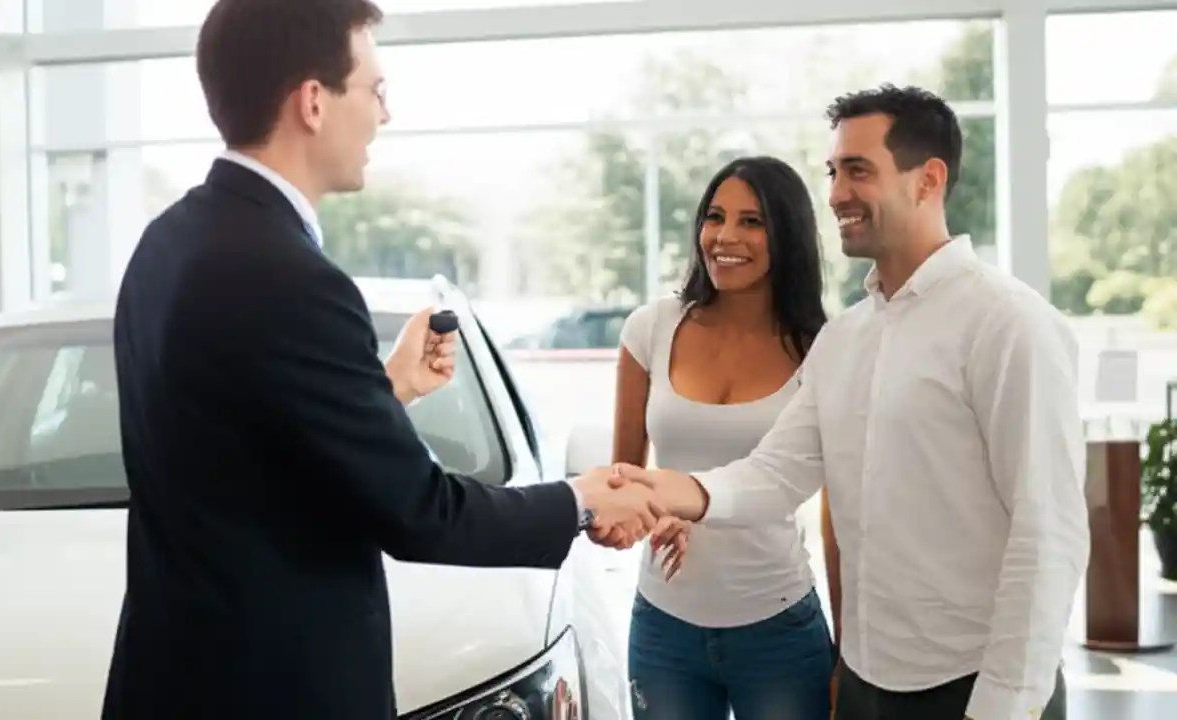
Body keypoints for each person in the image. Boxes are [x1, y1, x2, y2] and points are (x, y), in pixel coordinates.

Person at [102, 1, 660, 718]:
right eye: (375, 89)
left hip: (173, 676)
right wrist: (581, 500)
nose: (384, 115)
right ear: (312, 101)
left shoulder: (169, 240)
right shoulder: (290, 278)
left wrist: (388, 388)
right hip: (274, 689)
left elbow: (241, 450)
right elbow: (419, 512)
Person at [606, 84, 1089, 720]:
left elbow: (1048, 530)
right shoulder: (844, 339)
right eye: (833, 172)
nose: (835, 194)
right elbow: (775, 474)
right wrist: (664, 490)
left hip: (975, 686)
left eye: (858, 171)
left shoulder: (1009, 324)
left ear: (928, 180)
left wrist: (1004, 703)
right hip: (867, 681)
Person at [608, 156, 834, 719]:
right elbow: (622, 487)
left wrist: (850, 651)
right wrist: (654, 515)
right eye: (715, 217)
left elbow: (840, 513)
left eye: (752, 221)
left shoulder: (823, 350)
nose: (725, 236)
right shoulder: (651, 329)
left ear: (787, 234)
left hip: (779, 628)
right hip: (664, 629)